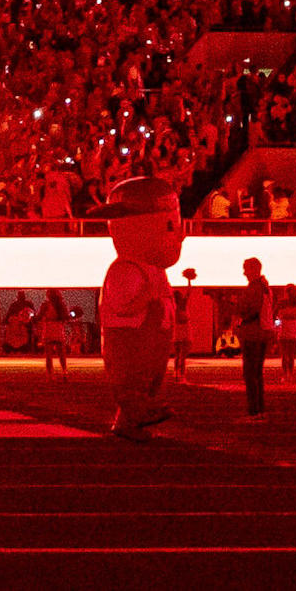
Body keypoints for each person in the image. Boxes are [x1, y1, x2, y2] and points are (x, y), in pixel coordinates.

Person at [98, 180, 176, 442]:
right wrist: (149, 298)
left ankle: (128, 421)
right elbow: (124, 307)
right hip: (131, 340)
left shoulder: (151, 267)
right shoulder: (127, 269)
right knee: (133, 381)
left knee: (146, 381)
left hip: (151, 340)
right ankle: (136, 413)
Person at [232, 259, 272, 418]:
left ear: (254, 270)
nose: (244, 273)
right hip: (261, 334)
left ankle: (254, 410)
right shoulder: (265, 287)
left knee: (250, 374)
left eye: (246, 269)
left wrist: (238, 314)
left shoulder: (254, 288)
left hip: (252, 334)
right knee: (257, 374)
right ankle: (259, 409)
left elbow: (249, 310)